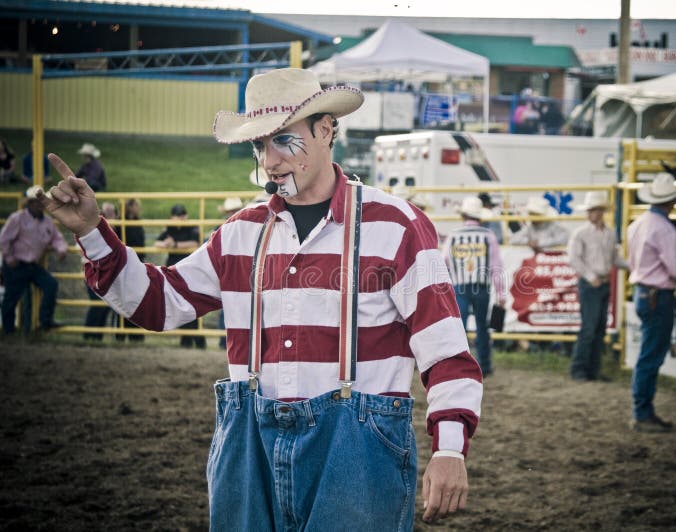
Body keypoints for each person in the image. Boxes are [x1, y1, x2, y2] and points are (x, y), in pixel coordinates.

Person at [41, 67, 480, 529]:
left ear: (327, 130)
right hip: (249, 442)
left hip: (359, 450)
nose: (269, 161)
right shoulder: (240, 232)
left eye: (283, 140)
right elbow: (157, 302)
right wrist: (92, 232)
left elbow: (446, 350)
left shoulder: (397, 225)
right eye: (259, 145)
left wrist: (450, 448)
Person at [626, 173, 676, 432]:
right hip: (659, 295)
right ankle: (642, 412)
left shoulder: (637, 224)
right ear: (672, 202)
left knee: (648, 352)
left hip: (644, 291)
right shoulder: (664, 228)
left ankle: (642, 409)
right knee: (651, 354)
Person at [566, 191, 628, 381]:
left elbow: (613, 258)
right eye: (591, 210)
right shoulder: (581, 233)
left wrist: (631, 266)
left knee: (599, 328)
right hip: (591, 283)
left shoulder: (610, 233)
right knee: (589, 328)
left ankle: (592, 369)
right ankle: (579, 369)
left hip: (602, 283)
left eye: (596, 210)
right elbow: (574, 259)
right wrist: (591, 276)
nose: (593, 214)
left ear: (601, 212)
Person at [442, 196, 506, 377]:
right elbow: (496, 267)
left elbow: (444, 261)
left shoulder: (454, 235)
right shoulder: (488, 236)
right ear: (480, 217)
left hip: (460, 286)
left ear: (463, 215)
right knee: (481, 326)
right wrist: (501, 293)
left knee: (458, 326)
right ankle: (484, 366)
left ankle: (458, 365)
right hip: (481, 287)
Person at [0, 186, 67, 334]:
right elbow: (3, 239)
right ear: (30, 203)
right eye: (38, 202)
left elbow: (57, 238)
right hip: (16, 264)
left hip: (31, 265)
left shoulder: (47, 222)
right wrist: (9, 257)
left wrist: (61, 249)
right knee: (11, 298)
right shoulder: (17, 218)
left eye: (42, 202)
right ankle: (8, 330)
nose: (41, 205)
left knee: (51, 285)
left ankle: (45, 321)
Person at [154, 203, 205, 349]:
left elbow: (195, 242)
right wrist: (166, 244)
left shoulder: (191, 227)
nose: (182, 217)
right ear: (172, 217)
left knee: (193, 306)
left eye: (183, 214)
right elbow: (158, 242)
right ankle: (187, 340)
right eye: (178, 215)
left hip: (189, 272)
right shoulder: (170, 228)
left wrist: (174, 244)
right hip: (174, 272)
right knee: (182, 306)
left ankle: (198, 341)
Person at [83, 201, 121, 340]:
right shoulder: (93, 228)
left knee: (104, 305)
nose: (108, 217)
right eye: (105, 214)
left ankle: (95, 337)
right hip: (94, 272)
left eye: (111, 213)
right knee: (98, 304)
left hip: (108, 274)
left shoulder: (118, 230)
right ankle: (89, 335)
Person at [214, 197, 243, 349]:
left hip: (237, 270)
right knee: (227, 307)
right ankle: (223, 341)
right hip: (233, 270)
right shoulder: (243, 227)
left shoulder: (221, 228)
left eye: (234, 210)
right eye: (231, 211)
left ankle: (225, 342)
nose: (232, 213)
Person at [116, 198, 146, 342]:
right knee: (123, 300)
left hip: (136, 265)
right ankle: (121, 334)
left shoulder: (136, 222)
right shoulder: (122, 223)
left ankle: (135, 335)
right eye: (135, 206)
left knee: (136, 300)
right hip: (125, 266)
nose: (138, 208)